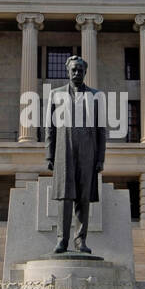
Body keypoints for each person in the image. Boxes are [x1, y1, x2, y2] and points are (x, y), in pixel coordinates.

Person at [45, 55, 107, 254]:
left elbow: (100, 130)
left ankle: (80, 240)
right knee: (64, 197)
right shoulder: (56, 94)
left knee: (83, 197)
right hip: (64, 150)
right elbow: (50, 127)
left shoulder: (96, 96)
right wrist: (50, 155)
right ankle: (62, 240)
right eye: (74, 69)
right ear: (67, 71)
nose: (77, 73)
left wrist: (100, 158)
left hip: (88, 152)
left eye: (80, 70)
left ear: (85, 72)